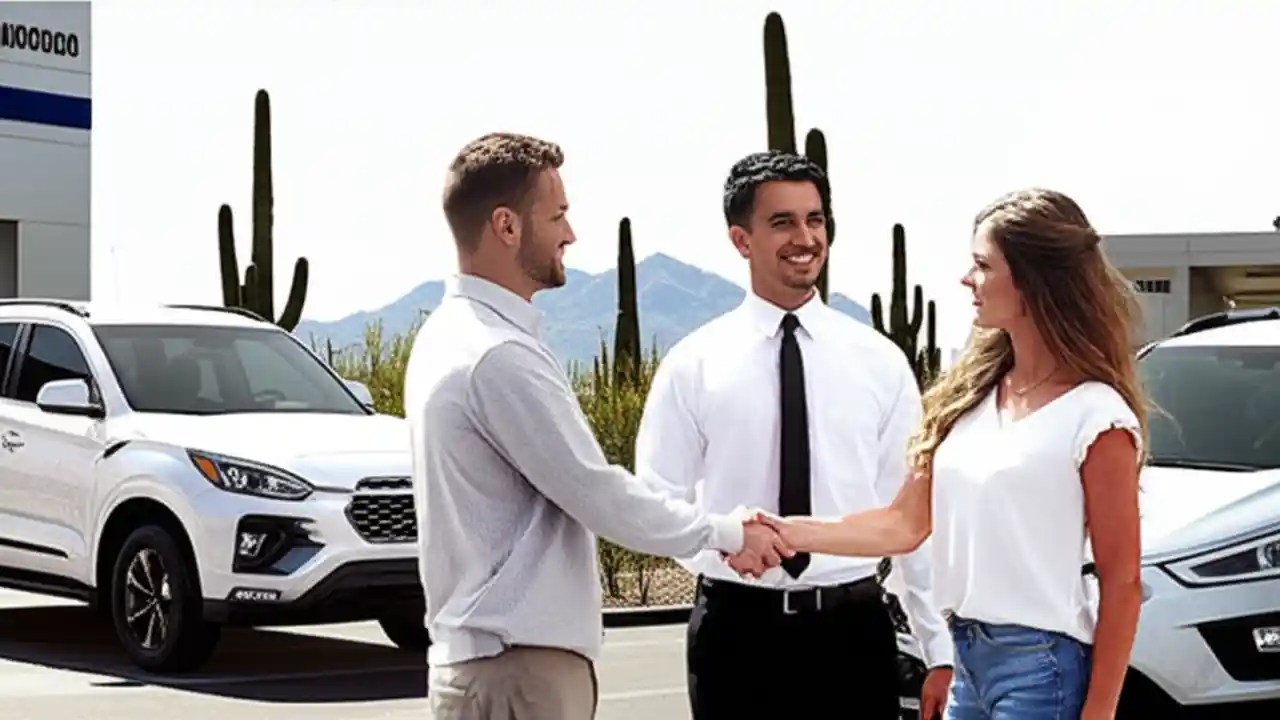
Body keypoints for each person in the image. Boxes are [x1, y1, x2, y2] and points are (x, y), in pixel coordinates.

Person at [403, 132, 792, 720]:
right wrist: (728, 532)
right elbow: (596, 492)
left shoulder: (447, 336)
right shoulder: (497, 355)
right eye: (557, 214)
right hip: (519, 674)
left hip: (491, 666)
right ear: (506, 227)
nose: (570, 233)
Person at [757, 187, 1148, 719]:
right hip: (968, 663)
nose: (968, 280)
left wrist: (1098, 713)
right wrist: (785, 532)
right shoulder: (970, 399)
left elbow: (1122, 583)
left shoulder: (1097, 417)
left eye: (982, 265)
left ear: (1032, 280)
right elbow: (901, 525)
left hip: (1042, 669)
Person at [632, 150, 954, 720]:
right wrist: (726, 544)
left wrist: (936, 648)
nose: (804, 237)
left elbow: (908, 520)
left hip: (854, 633)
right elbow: (658, 504)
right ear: (741, 239)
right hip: (735, 636)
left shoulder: (880, 363)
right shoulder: (693, 366)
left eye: (816, 219)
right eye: (782, 221)